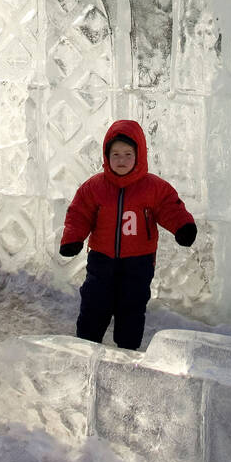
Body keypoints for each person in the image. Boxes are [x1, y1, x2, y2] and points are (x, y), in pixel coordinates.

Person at [60, 119, 197, 350]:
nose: (121, 160)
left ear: (139, 155)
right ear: (106, 155)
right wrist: (72, 239)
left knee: (131, 308)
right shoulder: (94, 187)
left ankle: (127, 350)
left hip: (138, 263)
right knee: (94, 304)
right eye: (115, 154)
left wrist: (182, 226)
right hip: (101, 260)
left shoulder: (153, 187)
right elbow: (79, 213)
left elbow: (170, 207)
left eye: (127, 154)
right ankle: (86, 346)